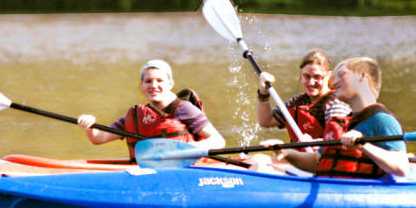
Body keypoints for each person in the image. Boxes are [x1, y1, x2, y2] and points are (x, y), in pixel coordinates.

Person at [267, 56, 412, 179]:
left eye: (341, 74)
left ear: (362, 76)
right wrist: (286, 152)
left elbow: (401, 167)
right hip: (331, 188)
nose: (334, 81)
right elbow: (316, 162)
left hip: (357, 194)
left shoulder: (381, 120)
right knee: (260, 165)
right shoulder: (342, 123)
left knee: (261, 168)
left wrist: (363, 145)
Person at [77, 59, 225, 160]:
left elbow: (218, 141)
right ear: (142, 85)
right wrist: (89, 125)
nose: (153, 85)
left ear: (170, 84)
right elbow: (98, 138)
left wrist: (194, 147)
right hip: (146, 171)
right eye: (148, 81)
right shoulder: (136, 116)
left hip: (185, 171)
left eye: (159, 81)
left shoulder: (184, 108)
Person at [257, 49, 351, 141]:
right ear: (301, 75)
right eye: (306, 76)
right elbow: (266, 121)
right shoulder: (298, 101)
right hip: (297, 155)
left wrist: (313, 143)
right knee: (259, 157)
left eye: (317, 77)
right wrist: (263, 93)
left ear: (329, 76)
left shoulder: (336, 102)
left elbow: (336, 138)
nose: (311, 82)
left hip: (323, 155)